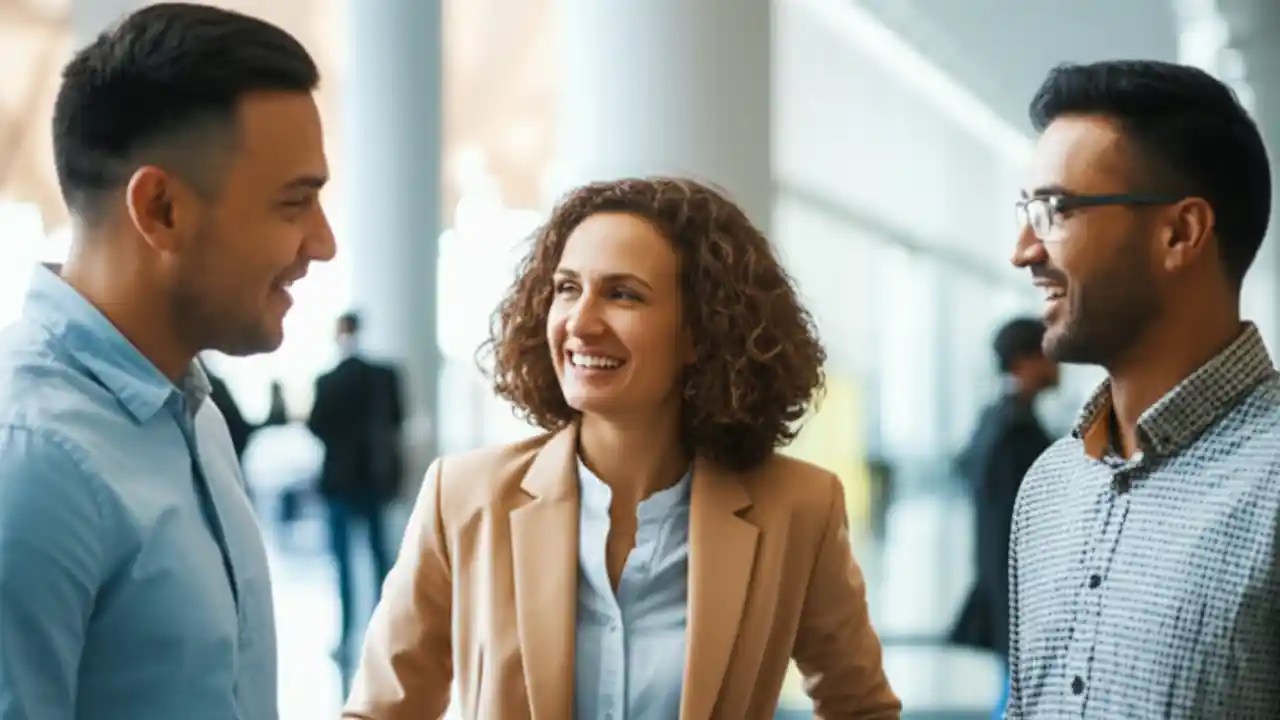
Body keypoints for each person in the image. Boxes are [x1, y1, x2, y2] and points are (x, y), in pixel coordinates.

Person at [342, 178, 901, 719]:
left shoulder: (799, 508)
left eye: (623, 294)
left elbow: (861, 708)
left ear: (701, 331)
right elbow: (382, 713)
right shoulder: (464, 498)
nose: (580, 322)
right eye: (567, 288)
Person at [0, 4, 334, 718]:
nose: (323, 242)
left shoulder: (192, 414)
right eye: (294, 204)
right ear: (161, 209)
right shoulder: (32, 461)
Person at [1007, 59, 1280, 718]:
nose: (1023, 251)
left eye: (1055, 211)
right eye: (1027, 212)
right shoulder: (1048, 488)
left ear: (1180, 233)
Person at [948, 317, 1056, 718]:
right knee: (1019, 699)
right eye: (1046, 353)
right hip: (1022, 596)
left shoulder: (993, 422)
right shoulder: (1017, 434)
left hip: (1001, 590)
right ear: (1022, 361)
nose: (1056, 364)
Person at [308, 311, 404, 669]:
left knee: (344, 563)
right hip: (373, 479)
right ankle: (385, 632)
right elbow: (396, 422)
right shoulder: (383, 377)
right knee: (380, 557)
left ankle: (347, 634)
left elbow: (317, 425)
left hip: (340, 482)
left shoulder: (328, 381)